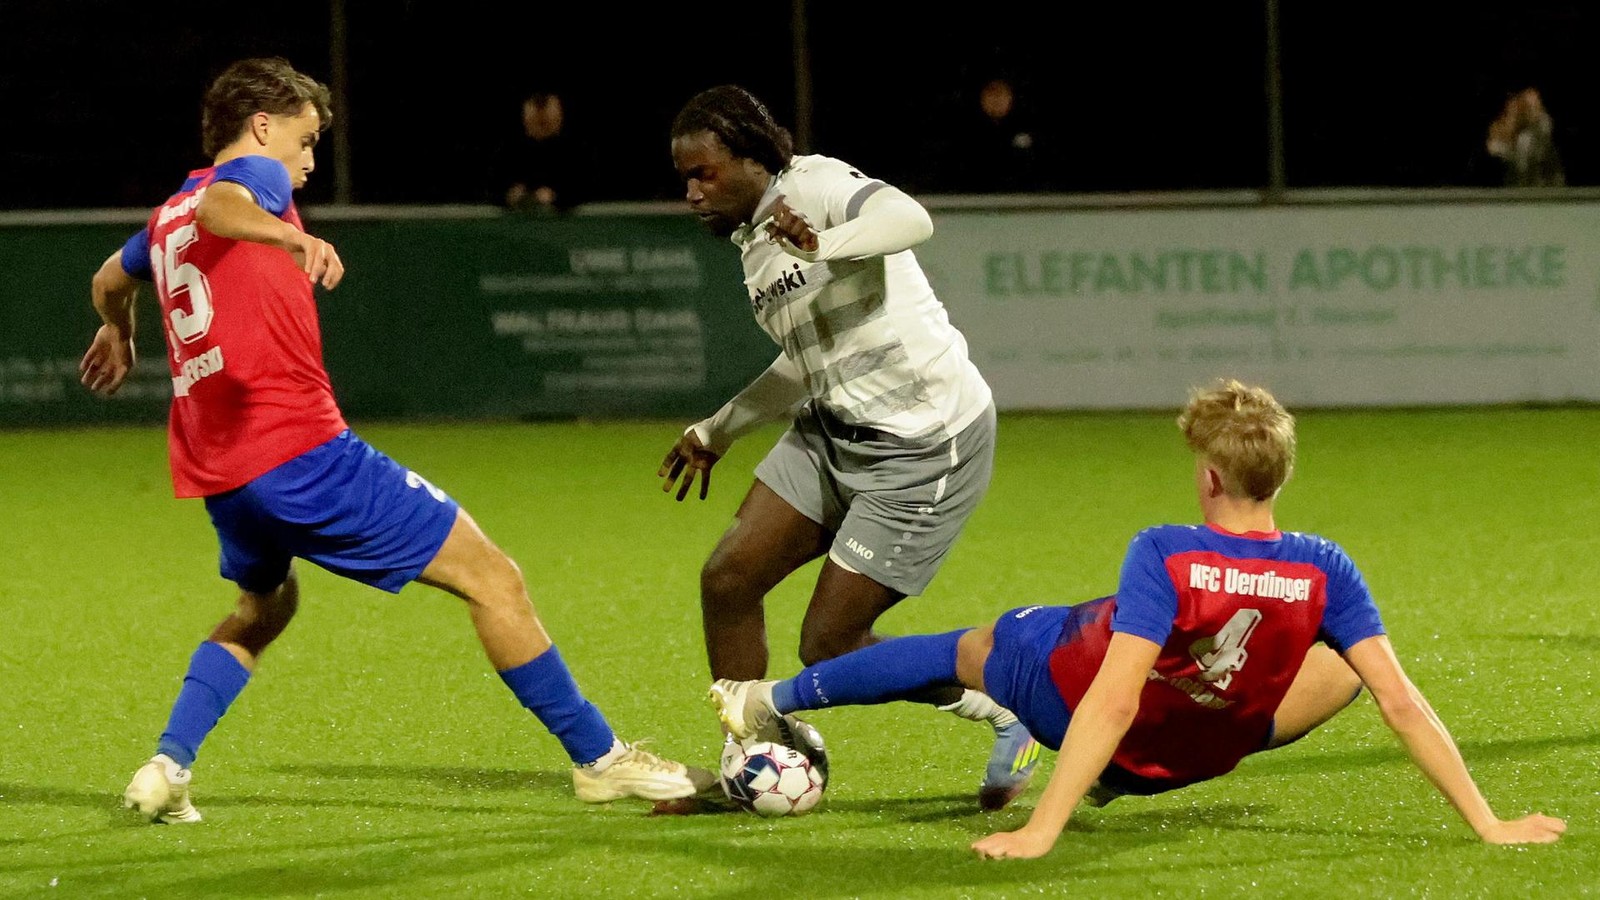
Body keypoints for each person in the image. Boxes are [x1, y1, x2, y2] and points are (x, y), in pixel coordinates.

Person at [78, 57, 704, 824]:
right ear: (263, 127)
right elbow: (223, 207)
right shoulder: (244, 182)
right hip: (301, 451)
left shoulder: (163, 217)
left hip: (223, 473)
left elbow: (111, 278)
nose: (308, 164)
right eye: (304, 142)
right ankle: (600, 760)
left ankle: (168, 765)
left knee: (264, 605)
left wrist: (118, 327)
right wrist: (290, 239)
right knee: (495, 579)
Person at [710, 378, 1567, 858]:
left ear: (1209, 480)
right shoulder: (1326, 566)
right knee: (1352, 662)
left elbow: (1114, 700)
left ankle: (767, 696)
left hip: (1080, 705)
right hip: (1196, 757)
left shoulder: (1167, 549)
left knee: (975, 645)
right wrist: (1488, 822)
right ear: (1282, 478)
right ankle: (1099, 764)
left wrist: (1041, 830)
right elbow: (1403, 703)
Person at [656, 84, 1036, 810]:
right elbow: (808, 361)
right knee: (728, 581)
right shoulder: (755, 248)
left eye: (704, 172)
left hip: (926, 444)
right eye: (684, 178)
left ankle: (1007, 708)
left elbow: (910, 218)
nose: (692, 192)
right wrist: (716, 430)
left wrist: (827, 242)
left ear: (751, 158)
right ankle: (750, 761)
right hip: (833, 429)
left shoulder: (819, 186)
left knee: (830, 643)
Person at [496, 90, 583, 212]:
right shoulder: (509, 151)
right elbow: (490, 189)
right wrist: (509, 195)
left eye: (546, 106)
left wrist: (555, 197)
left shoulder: (574, 151)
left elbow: (584, 189)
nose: (540, 114)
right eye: (535, 105)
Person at [1485, 87, 1565, 187]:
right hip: (1512, 192)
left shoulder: (1538, 127)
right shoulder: (1497, 138)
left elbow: (1542, 126)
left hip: (1546, 188)